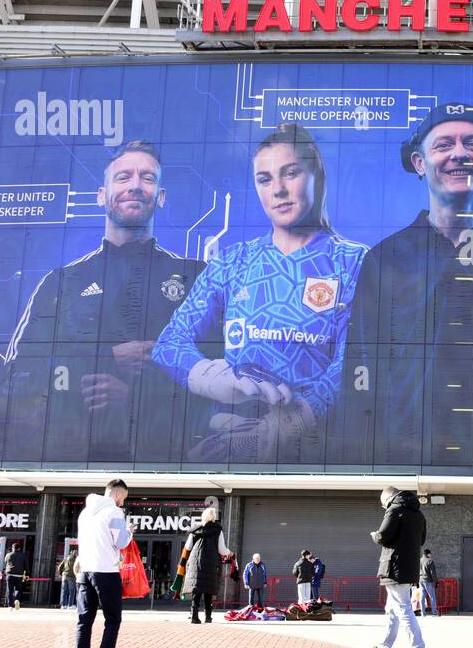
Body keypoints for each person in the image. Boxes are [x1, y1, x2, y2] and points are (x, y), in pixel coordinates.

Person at [334, 101, 473, 469]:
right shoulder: (385, 258)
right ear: (418, 162)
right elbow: (361, 369)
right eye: (444, 144)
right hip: (405, 459)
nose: (460, 154)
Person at [154, 124, 368, 464]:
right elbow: (169, 343)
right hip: (228, 441)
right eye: (265, 179)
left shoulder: (354, 263)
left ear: (317, 176)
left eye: (291, 173)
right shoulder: (234, 262)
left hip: (320, 451)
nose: (278, 190)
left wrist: (296, 420)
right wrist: (212, 377)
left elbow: (357, 360)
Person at [7, 141, 207, 462]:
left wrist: (141, 393)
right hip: (70, 463)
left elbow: (227, 377)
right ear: (102, 195)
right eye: (123, 177)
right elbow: (19, 373)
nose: (136, 186)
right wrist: (107, 357)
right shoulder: (62, 282)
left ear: (161, 197)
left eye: (148, 178)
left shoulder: (197, 278)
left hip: (170, 463)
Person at [74, 479, 134, 648]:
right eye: (123, 498)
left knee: (84, 620)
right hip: (106, 571)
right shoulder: (114, 512)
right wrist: (130, 532)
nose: (123, 503)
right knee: (113, 618)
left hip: (85, 570)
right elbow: (121, 542)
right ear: (117, 494)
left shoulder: (85, 513)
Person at [369, 486, 428, 648]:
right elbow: (422, 540)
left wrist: (374, 535)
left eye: (383, 505)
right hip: (409, 567)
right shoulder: (419, 514)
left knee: (402, 608)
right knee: (392, 609)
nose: (384, 508)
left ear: (387, 499)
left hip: (393, 566)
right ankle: (384, 647)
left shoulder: (394, 510)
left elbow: (383, 536)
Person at [181, 505, 232, 623]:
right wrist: (230, 553)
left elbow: (188, 547)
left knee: (196, 589)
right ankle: (208, 617)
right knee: (209, 589)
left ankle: (194, 616)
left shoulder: (194, 530)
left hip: (195, 562)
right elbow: (222, 550)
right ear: (213, 517)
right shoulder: (217, 530)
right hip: (211, 562)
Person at [5, 542, 27, 609]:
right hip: (19, 575)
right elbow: (26, 566)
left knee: (10, 590)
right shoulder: (24, 556)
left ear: (13, 548)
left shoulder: (8, 555)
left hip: (10, 574)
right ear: (19, 548)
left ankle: (10, 605)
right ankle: (17, 599)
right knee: (18, 589)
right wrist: (26, 575)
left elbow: (6, 563)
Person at [419, 549, 439, 616]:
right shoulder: (430, 561)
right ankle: (434, 612)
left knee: (422, 597)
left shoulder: (420, 560)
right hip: (428, 581)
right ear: (428, 554)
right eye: (430, 554)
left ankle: (423, 613)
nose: (431, 555)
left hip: (420, 580)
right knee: (432, 596)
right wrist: (436, 581)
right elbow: (432, 573)